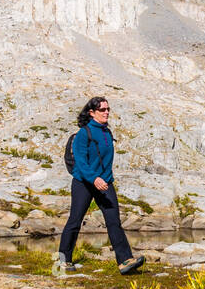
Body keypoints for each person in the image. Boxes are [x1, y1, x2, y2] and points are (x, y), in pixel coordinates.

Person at [57, 96, 145, 275]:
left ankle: (125, 261)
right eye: (102, 110)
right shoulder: (84, 132)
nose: (106, 112)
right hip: (84, 183)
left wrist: (105, 179)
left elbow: (105, 161)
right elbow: (81, 161)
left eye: (108, 109)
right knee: (75, 221)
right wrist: (94, 178)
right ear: (92, 113)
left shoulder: (107, 132)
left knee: (114, 221)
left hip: (105, 183)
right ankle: (63, 260)